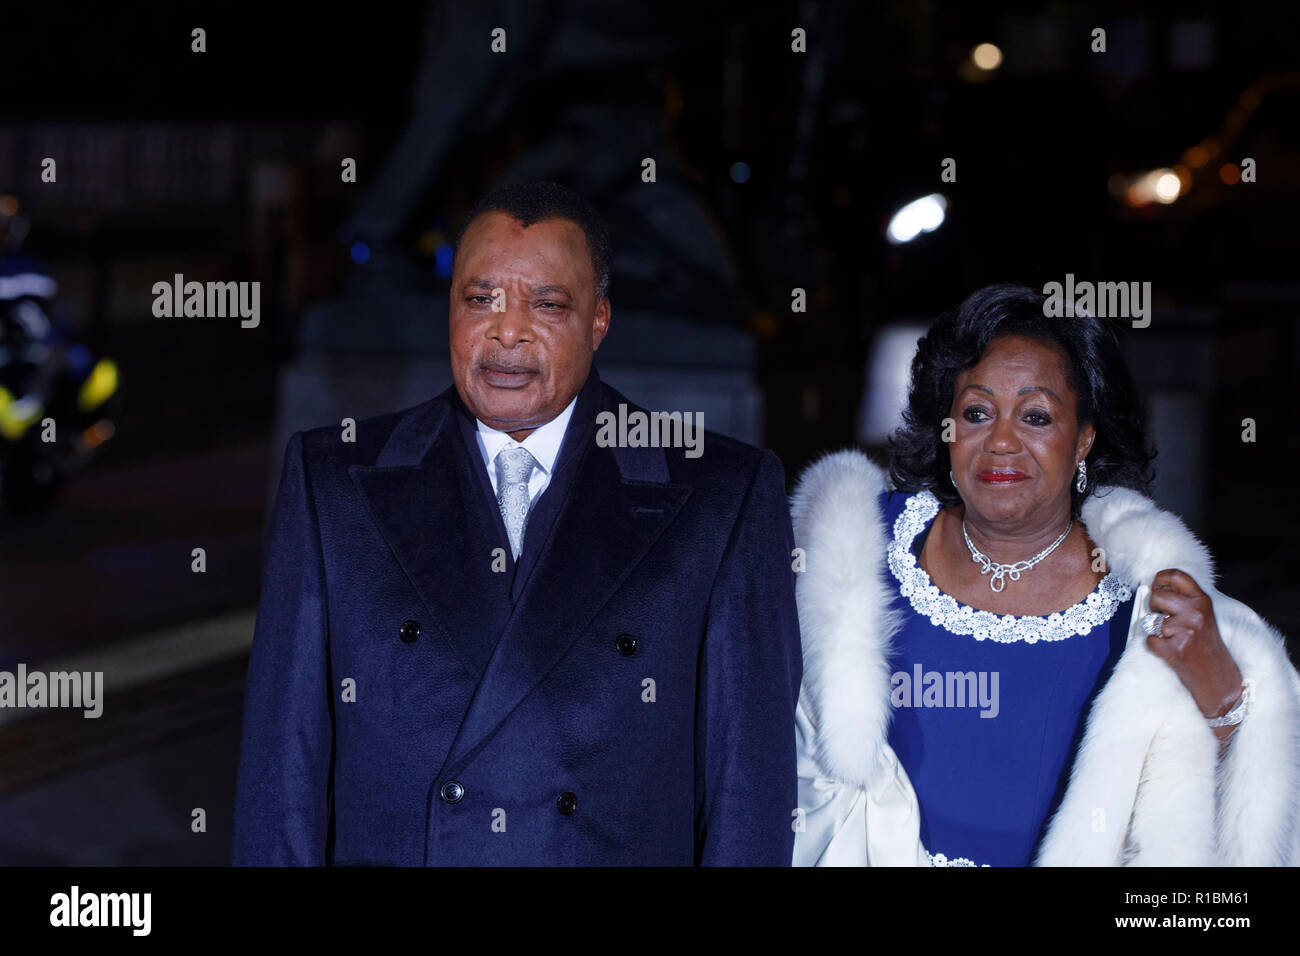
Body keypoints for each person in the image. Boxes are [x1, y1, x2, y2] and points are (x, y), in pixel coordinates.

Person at [232, 180, 802, 865]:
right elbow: (280, 779)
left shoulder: (722, 496)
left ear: (598, 320)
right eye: (481, 299)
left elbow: (749, 800)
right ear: (449, 308)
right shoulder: (332, 481)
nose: (507, 331)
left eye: (547, 305)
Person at [790, 284, 1300, 866]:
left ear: (1084, 439)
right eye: (976, 413)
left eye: (1036, 416)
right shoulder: (850, 552)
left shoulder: (1145, 601)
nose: (1001, 441)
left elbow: (1241, 824)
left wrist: (1218, 684)